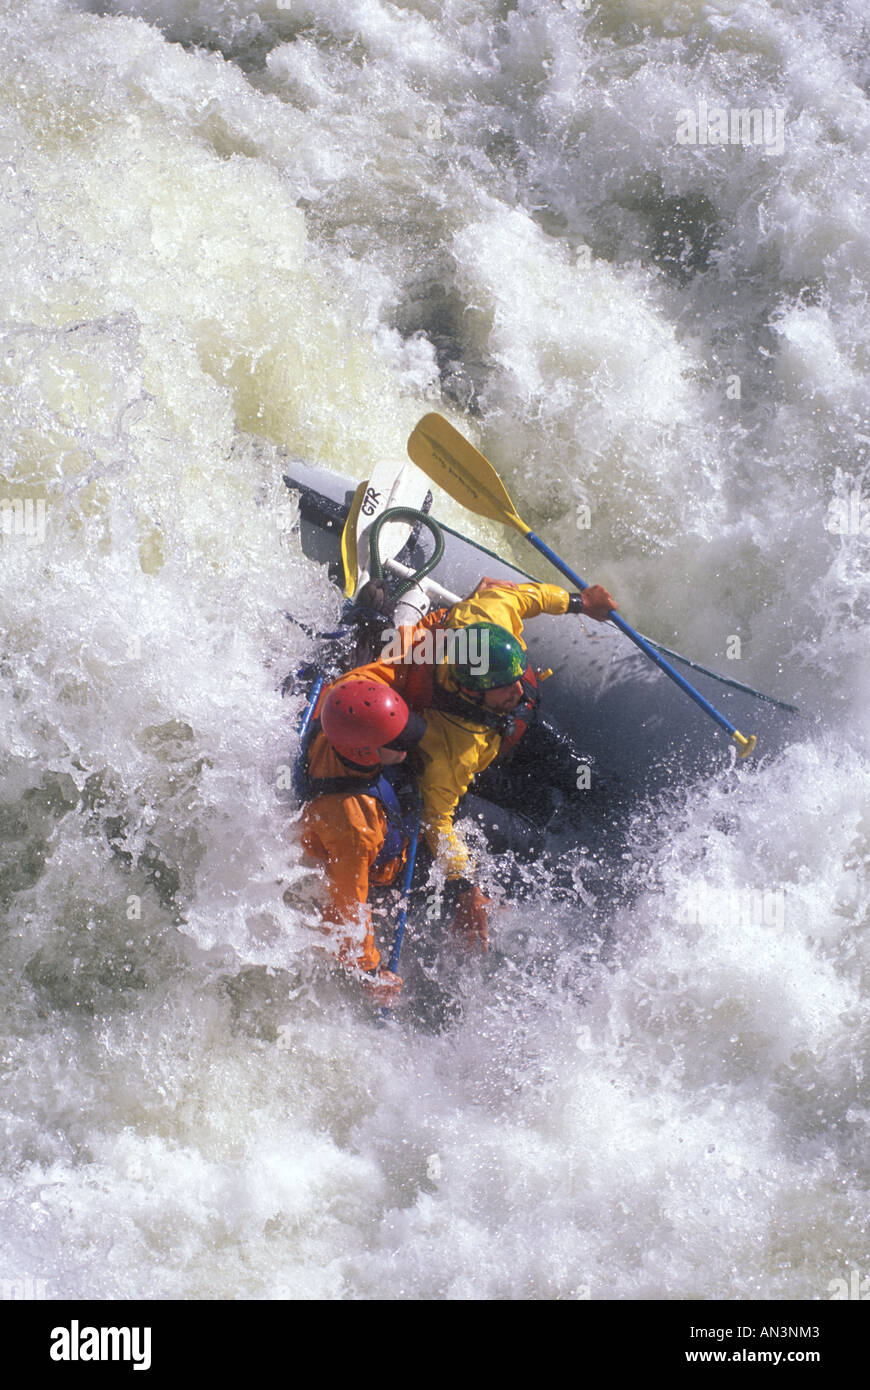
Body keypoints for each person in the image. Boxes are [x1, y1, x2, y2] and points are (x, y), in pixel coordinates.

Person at [325, 574, 618, 953]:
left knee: (584, 776)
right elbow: (438, 821)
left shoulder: (486, 613)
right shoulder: (445, 747)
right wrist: (465, 888)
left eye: (517, 677)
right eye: (505, 686)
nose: (519, 690)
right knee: (529, 836)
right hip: (474, 762)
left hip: (511, 732)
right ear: (469, 690)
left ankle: (604, 807)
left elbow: (529, 597)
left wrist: (579, 602)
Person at [298, 679, 426, 1005]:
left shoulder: (334, 717)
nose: (406, 746)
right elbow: (349, 905)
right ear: (367, 753)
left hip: (360, 801)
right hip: (368, 859)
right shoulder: (354, 828)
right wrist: (371, 970)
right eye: (397, 743)